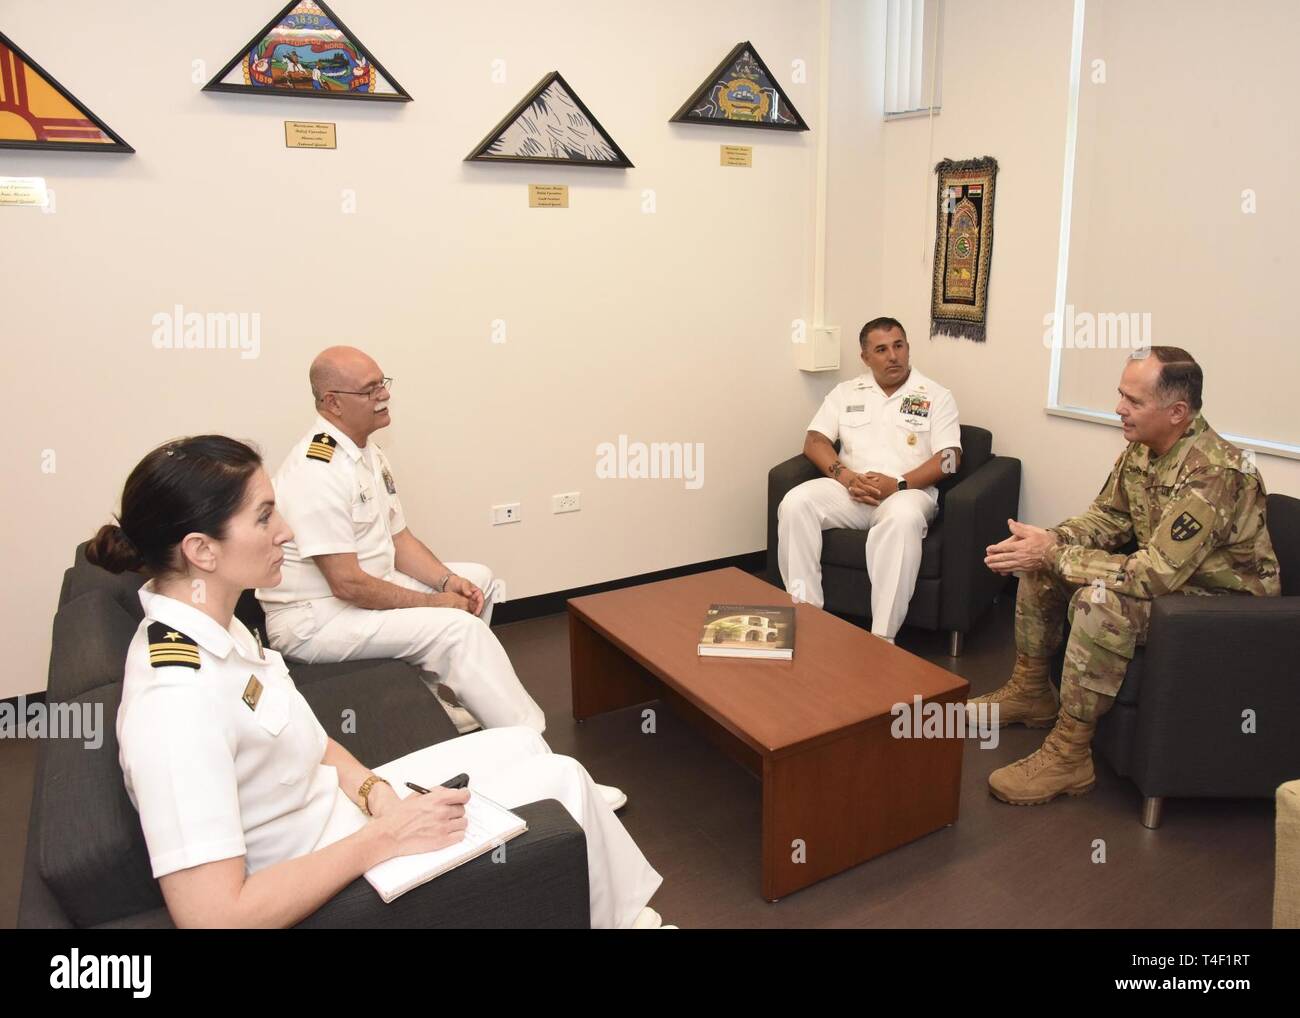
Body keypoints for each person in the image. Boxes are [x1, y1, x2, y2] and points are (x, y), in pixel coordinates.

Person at [87, 435, 666, 928]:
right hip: (331, 869)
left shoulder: (218, 626)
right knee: (561, 780)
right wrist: (385, 836)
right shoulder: (174, 702)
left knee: (525, 744)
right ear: (201, 551)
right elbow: (216, 918)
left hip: (343, 817)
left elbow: (314, 745)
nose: (286, 531)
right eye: (264, 516)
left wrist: (376, 796)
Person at [975, 347, 1281, 805]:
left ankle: (1070, 755)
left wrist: (1057, 554)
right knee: (1042, 569)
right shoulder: (1142, 451)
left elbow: (1154, 575)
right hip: (1171, 584)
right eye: (1121, 395)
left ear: (1177, 412)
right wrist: (1048, 541)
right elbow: (1107, 520)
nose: (1119, 408)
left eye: (1133, 401)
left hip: (1220, 611)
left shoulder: (1216, 472)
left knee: (1097, 604)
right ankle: (1032, 691)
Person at [776, 317, 962, 642]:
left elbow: (950, 459)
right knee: (794, 503)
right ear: (865, 357)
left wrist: (899, 483)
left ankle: (882, 638)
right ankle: (806, 617)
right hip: (850, 490)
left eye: (899, 346)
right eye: (881, 349)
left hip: (906, 493)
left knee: (902, 521)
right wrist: (845, 477)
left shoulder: (936, 395)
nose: (893, 356)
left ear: (907, 348)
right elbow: (814, 442)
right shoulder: (846, 392)